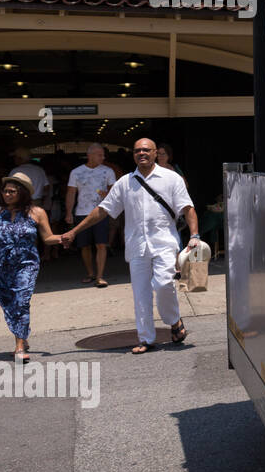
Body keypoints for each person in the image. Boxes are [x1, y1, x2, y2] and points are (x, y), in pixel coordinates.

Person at [64, 138, 199, 355]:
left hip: (164, 242)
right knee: (141, 294)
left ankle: (174, 322)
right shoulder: (125, 182)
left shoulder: (171, 178)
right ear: (133, 155)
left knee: (165, 284)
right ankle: (146, 338)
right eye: (137, 151)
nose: (142, 153)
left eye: (146, 150)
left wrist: (194, 235)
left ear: (155, 153)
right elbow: (103, 210)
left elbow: (188, 208)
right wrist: (74, 231)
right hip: (136, 245)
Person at [0, 174, 58, 363]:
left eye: (11, 191)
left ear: (21, 193)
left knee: (21, 301)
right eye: (5, 191)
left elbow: (47, 238)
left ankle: (19, 346)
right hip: (1, 266)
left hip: (27, 264)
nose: (7, 194)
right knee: (9, 303)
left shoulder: (37, 212)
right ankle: (23, 336)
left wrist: (65, 237)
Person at [66, 142, 116, 287]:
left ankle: (100, 276)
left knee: (101, 244)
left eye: (103, 155)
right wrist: (69, 212)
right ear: (90, 155)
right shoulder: (76, 172)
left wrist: (106, 195)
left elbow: (115, 193)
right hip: (82, 212)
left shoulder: (108, 171)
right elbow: (71, 193)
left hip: (101, 212)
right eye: (100, 155)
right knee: (85, 245)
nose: (103, 157)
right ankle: (90, 273)